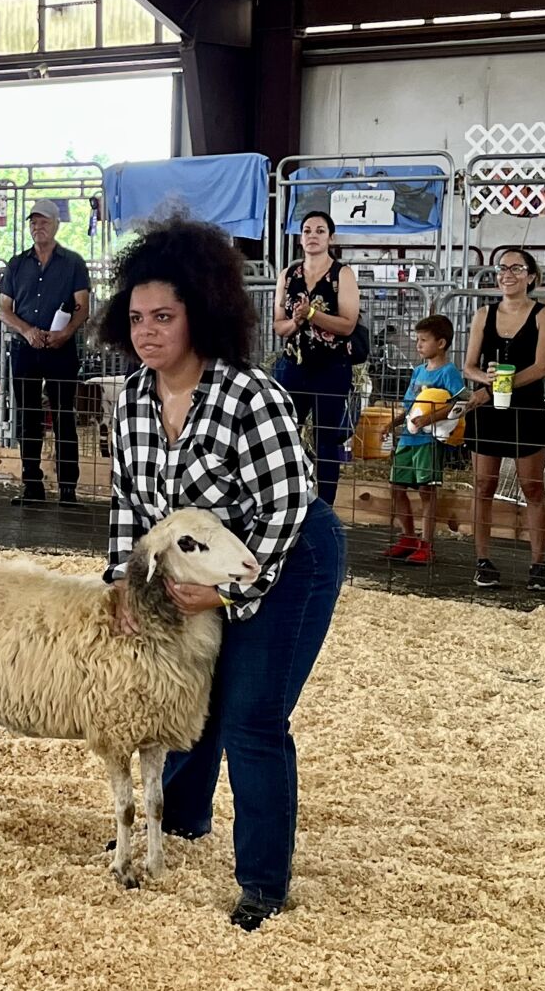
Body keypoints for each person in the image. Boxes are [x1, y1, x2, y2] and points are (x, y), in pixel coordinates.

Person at [101, 216, 346, 931]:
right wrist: (123, 583)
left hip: (289, 556)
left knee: (251, 716)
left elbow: (286, 506)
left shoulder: (250, 395)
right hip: (190, 567)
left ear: (200, 314)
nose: (147, 332)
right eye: (137, 317)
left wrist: (229, 590)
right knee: (190, 695)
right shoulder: (132, 402)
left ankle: (262, 880)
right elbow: (129, 503)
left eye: (164, 317)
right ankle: (178, 818)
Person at [461, 249, 545, 591]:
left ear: (531, 276)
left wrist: (501, 385)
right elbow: (469, 366)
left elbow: (542, 366)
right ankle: (482, 560)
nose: (508, 274)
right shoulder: (482, 315)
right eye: (503, 268)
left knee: (532, 486)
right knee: (484, 485)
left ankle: (538, 564)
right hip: (488, 409)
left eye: (517, 268)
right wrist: (486, 383)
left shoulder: (544, 315)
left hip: (526, 408)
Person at [0, 198, 90, 507]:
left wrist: (65, 333)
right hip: (26, 348)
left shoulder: (74, 262)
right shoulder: (17, 264)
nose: (38, 227)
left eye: (44, 222)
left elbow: (82, 306)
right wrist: (27, 331)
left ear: (56, 225)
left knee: (64, 416)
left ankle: (67, 488)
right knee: (28, 417)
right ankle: (32, 485)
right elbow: (4, 310)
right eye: (34, 222)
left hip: (61, 350)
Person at [272, 210, 361, 506]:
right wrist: (296, 323)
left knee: (325, 440)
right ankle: (285, 500)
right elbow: (278, 325)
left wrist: (312, 314)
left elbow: (348, 324)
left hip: (331, 368)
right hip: (292, 366)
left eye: (320, 231)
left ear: (330, 238)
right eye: (307, 230)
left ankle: (325, 507)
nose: (313, 236)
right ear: (300, 238)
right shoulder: (288, 275)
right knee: (283, 434)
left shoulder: (342, 274)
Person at [382, 314, 465, 567]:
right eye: (418, 339)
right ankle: (408, 536)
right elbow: (411, 406)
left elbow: (458, 404)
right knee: (397, 486)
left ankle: (426, 544)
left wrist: (429, 419)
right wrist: (392, 423)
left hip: (429, 440)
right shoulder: (418, 371)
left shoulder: (449, 372)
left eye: (423, 340)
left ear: (440, 343)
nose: (418, 345)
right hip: (408, 437)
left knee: (427, 490)